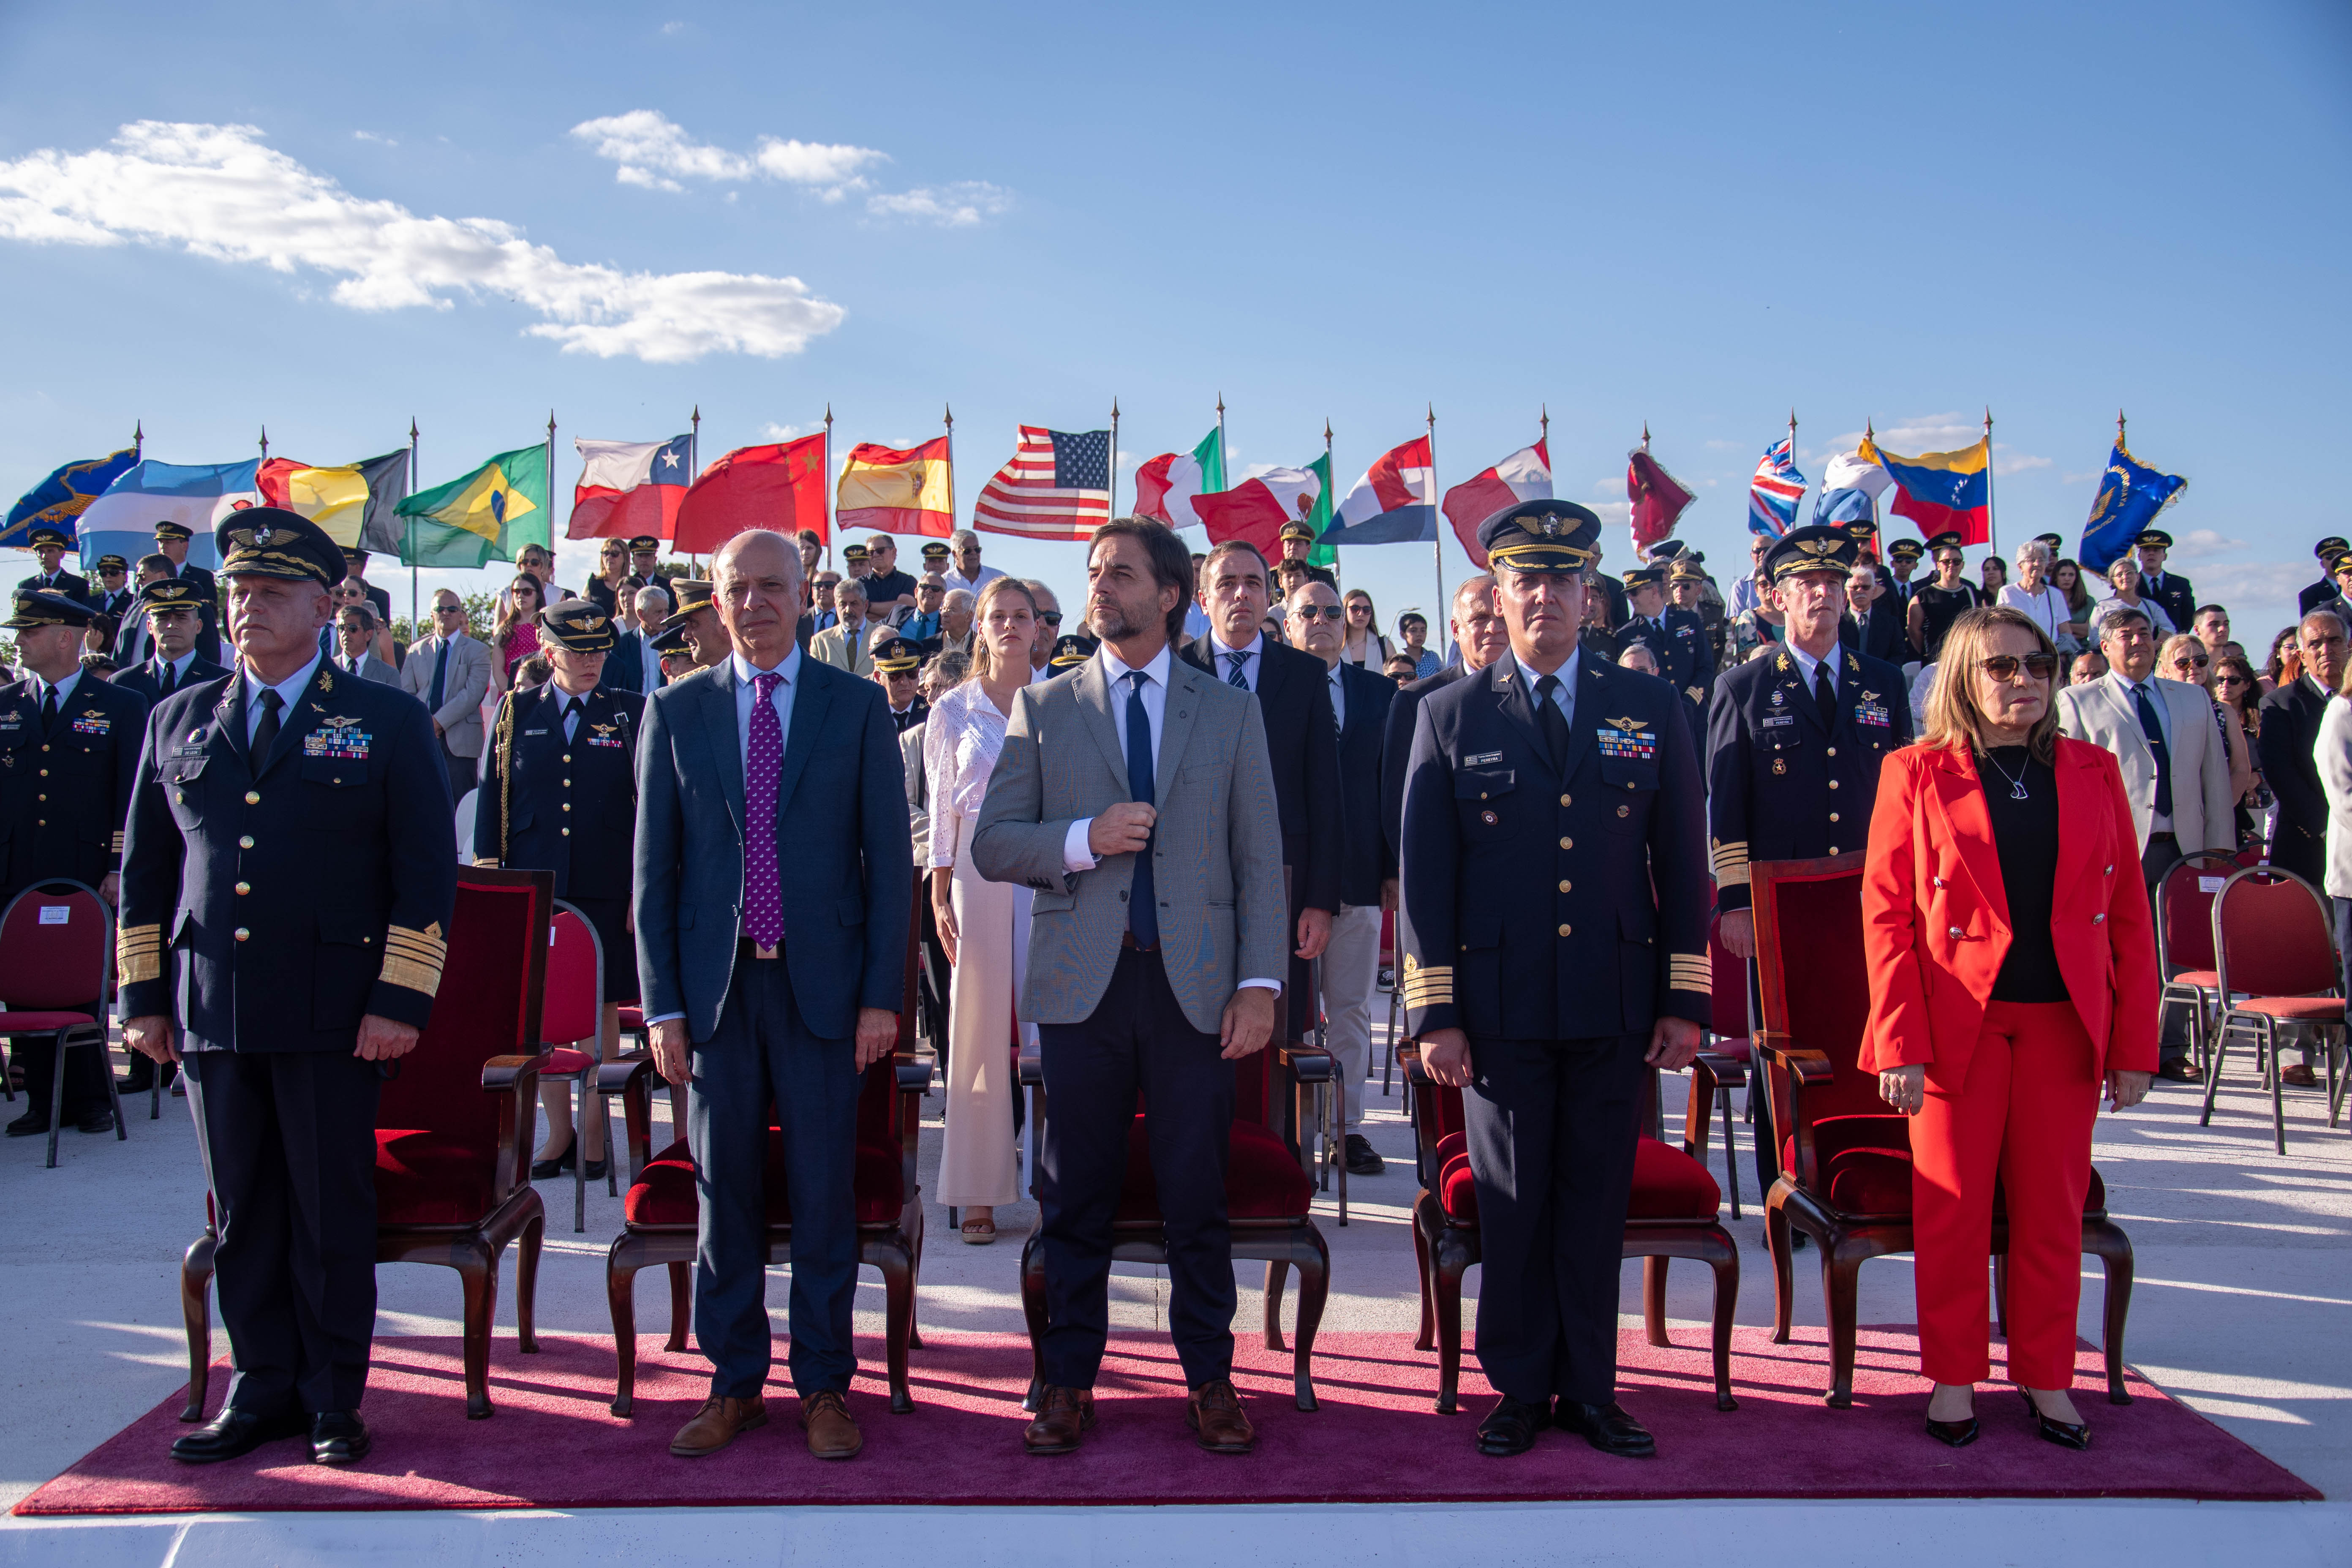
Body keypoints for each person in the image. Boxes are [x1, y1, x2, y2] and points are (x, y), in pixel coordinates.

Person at [120, 507, 455, 1467]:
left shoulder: (383, 719)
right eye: (238, 590)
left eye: (271, 592)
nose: (247, 606)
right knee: (244, 1214)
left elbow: (424, 874)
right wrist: (143, 998)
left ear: (325, 603)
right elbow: (146, 876)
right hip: (214, 1009)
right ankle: (259, 1385)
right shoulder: (176, 720)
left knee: (327, 1210)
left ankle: (331, 1397)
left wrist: (399, 1002)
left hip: (334, 1011)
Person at [1399, 499, 1709, 1460]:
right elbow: (1425, 876)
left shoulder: (1649, 706)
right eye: (1524, 580)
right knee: (1513, 1196)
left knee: (1591, 1197)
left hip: (1613, 999)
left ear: (1590, 595)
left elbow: (1682, 861)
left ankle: (1592, 1388)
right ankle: (1519, 1387)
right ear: (1498, 593)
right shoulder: (1447, 712)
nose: (1544, 597)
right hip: (1497, 1008)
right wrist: (1435, 1012)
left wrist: (1682, 999)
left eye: (1562, 579)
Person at [971, 516, 1285, 1458]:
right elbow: (993, 842)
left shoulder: (1227, 709)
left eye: (1121, 574)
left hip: (1197, 993)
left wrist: (1260, 983)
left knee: (1198, 1193)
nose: (1101, 587)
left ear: (1170, 593)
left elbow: (1261, 859)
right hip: (1082, 991)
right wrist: (1082, 838)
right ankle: (1066, 1378)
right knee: (1073, 1195)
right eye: (1095, 572)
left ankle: (1211, 1378)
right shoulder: (1047, 704)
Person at [634, 528, 911, 1462]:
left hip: (825, 993)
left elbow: (887, 866)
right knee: (727, 1198)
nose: (755, 603)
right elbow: (653, 879)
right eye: (737, 587)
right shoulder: (675, 711)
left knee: (826, 1190)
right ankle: (734, 1382)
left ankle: (826, 1381)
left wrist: (885, 996)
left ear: (805, 594)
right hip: (716, 1001)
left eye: (772, 587)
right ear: (715, 601)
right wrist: (663, 1005)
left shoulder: (857, 704)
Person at [1861, 605, 2155, 1451]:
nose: (2023, 680)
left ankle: (2047, 1374)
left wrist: (2134, 1044)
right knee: (1950, 1208)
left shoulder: (2095, 769)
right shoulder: (1914, 771)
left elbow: (2131, 918)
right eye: (2001, 666)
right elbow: (1886, 919)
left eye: (2040, 664)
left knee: (2052, 1211)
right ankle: (1954, 1377)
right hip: (1959, 1026)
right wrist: (1900, 1042)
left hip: (2065, 1021)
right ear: (1963, 675)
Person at [1709, 525, 1913, 1191]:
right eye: (1806, 585)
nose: (1822, 595)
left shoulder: (1882, 682)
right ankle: (1789, 1184)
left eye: (1831, 583)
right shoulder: (1744, 687)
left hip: (1871, 897)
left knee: (1871, 1029)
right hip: (1779, 902)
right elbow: (1727, 804)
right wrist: (1736, 902)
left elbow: (1905, 795)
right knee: (1787, 1043)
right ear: (1778, 598)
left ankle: (1874, 1172)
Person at [474, 598, 641, 1179]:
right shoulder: (517, 711)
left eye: (598, 649)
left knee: (600, 1011)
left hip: (605, 883)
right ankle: (559, 1134)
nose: (591, 660)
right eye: (577, 650)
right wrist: (496, 884)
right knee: (542, 1013)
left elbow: (649, 810)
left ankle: (596, 1136)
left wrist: (639, 890)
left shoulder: (628, 712)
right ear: (548, 652)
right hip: (538, 880)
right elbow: (496, 799)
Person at [0, 588, 148, 1136]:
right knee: (25, 979)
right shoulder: (8, 705)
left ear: (66, 637)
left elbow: (131, 794)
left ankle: (88, 1097)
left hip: (85, 870)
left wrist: (117, 865)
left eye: (29, 631)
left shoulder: (118, 705)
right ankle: (41, 1099)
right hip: (17, 869)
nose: (18, 642)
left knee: (82, 982)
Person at [1184, 540, 1339, 1040]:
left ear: (1269, 594)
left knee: (1280, 1030)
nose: (1241, 595)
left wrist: (1320, 900)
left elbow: (1325, 794)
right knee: (1195, 1031)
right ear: (1203, 599)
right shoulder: (1175, 673)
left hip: (1285, 885)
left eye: (1253, 583)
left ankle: (1279, 1124)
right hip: (1192, 882)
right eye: (1227, 584)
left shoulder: (1306, 676)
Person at [925, 578, 1041, 1245]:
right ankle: (978, 1191)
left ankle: (1059, 1182)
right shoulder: (953, 709)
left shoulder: (1065, 699)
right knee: (976, 1029)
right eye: (997, 615)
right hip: (975, 866)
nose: (1008, 625)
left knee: (1055, 1022)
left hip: (1053, 862)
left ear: (1037, 626)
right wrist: (940, 890)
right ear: (981, 627)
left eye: (1020, 615)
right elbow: (943, 806)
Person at [1286, 577, 1395, 1175]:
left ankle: (1345, 1129)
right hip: (1284, 884)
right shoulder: (1264, 690)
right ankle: (1287, 1123)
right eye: (1310, 611)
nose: (1324, 620)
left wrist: (1393, 869)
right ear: (1291, 619)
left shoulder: (1380, 694)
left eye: (1334, 611)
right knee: (1285, 1011)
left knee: (1349, 1008)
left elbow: (1394, 787)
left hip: (1356, 879)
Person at [2056, 607, 2235, 899]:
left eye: (2144, 634)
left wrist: (2219, 840)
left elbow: (2214, 772)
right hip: (2117, 850)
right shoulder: (2078, 701)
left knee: (2185, 937)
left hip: (2186, 848)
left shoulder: (2193, 697)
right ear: (2105, 647)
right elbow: (2071, 785)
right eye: (2126, 636)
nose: (2138, 641)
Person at [2256, 612, 2347, 1086]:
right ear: (2302, 652)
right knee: (2306, 951)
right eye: (2317, 643)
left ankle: (2343, 1051)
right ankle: (2297, 1052)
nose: (2327, 649)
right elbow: (2283, 777)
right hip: (2309, 845)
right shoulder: (2282, 705)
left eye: (2335, 640)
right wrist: (2334, 828)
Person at [1382, 575, 1506, 883]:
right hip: (1451, 883)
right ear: (1456, 630)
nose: (1494, 628)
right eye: (1479, 619)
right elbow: (1400, 807)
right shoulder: (1416, 701)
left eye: (1502, 617)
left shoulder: (1540, 694)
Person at [399, 589, 493, 803]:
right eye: (440, 609)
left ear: (461, 615)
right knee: (421, 803)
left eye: (452, 609)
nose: (446, 613)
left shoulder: (478, 650)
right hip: (422, 737)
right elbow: (407, 694)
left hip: (460, 741)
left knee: (460, 807)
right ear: (432, 614)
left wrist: (437, 722)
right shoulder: (416, 651)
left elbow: (473, 694)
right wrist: (425, 723)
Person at [2160, 633, 2256, 818]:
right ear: (2165, 670)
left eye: (2200, 660)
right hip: (2170, 817)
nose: (2193, 666)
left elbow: (2241, 768)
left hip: (2220, 814)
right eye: (2183, 663)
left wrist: (2220, 810)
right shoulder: (2157, 711)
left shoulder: (2223, 712)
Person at [109, 579, 227, 706]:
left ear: (198, 626)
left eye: (182, 617)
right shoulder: (123, 682)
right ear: (149, 627)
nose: (171, 625)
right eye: (163, 618)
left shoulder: (222, 682)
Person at [150, 521, 224, 663]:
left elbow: (210, 618)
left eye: (169, 542)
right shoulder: (152, 579)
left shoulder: (202, 577)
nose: (163, 546)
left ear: (184, 545)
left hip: (193, 653)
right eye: (161, 542)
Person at [1906, 534, 1978, 664]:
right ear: (1938, 565)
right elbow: (1913, 631)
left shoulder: (1974, 594)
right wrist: (1930, 652)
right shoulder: (1922, 597)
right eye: (1946, 562)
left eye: (1956, 562)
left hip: (1967, 659)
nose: (1952, 565)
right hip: (1935, 661)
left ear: (1962, 565)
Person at [604, 584, 672, 695]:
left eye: (666, 611)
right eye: (658, 612)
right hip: (634, 709)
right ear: (641, 614)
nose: (664, 617)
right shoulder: (622, 644)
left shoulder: (674, 641)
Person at [2088, 556, 2175, 640]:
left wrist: (2155, 644)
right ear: (2113, 580)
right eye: (2119, 575)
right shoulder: (2102, 607)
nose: (2125, 577)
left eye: (2129, 573)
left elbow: (2170, 629)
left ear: (2138, 577)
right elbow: (2094, 637)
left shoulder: (2150, 606)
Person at [1999, 540, 2068, 644]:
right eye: (2032, 560)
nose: (2037, 564)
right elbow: (2002, 630)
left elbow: (2066, 632)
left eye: (2041, 560)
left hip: (2049, 656)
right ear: (2020, 566)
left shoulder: (2055, 595)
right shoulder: (2008, 593)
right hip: (2020, 655)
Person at [490, 572, 547, 690]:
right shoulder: (504, 629)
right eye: (516, 592)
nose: (521, 596)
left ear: (538, 595)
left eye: (527, 591)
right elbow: (497, 669)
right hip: (510, 692)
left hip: (542, 690)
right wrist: (510, 693)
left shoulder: (546, 625)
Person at [809, 579, 875, 677]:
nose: (848, 610)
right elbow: (815, 679)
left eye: (854, 604)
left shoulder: (883, 637)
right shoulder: (821, 642)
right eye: (843, 604)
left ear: (865, 606)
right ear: (836, 607)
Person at [2133, 530, 2195, 632]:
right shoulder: (2130, 584)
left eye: (2156, 550)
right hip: (2141, 642)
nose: (2151, 554)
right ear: (2139, 556)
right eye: (2147, 550)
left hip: (2173, 643)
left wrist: (2180, 636)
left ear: (2165, 556)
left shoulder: (2181, 584)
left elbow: (2189, 616)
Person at [1848, 562, 1906, 664]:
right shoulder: (1836, 625)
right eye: (1855, 588)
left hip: (1881, 677)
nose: (1860, 591)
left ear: (1874, 591)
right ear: (1846, 592)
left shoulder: (1891, 624)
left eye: (1866, 587)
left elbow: (1898, 655)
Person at [16, 527, 90, 605]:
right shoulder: (26, 586)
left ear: (62, 554)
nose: (45, 556)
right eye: (41, 552)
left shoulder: (78, 584)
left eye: (50, 551)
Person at [871, 636, 928, 733]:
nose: (905, 682)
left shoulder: (932, 712)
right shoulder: (869, 715)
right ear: (878, 677)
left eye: (911, 674)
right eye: (895, 675)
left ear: (918, 672)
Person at [331, 604, 398, 684]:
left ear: (368, 635)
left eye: (353, 628)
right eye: (341, 628)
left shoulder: (388, 674)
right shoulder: (327, 668)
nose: (345, 633)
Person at [859, 535, 918, 615]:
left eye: (880, 551)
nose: (875, 555)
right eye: (871, 553)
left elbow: (905, 608)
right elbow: (857, 613)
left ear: (893, 552)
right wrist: (893, 617)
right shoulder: (859, 584)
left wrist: (868, 606)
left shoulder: (907, 581)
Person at [2296, 536, 2351, 617]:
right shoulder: (2310, 594)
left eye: (2340, 555)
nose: (2335, 559)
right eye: (2330, 557)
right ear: (2322, 564)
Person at [2050, 559, 2095, 657]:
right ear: (2055, 577)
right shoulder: (2048, 599)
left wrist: (2062, 626)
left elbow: (2089, 630)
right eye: (2063, 575)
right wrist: (2076, 631)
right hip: (2055, 651)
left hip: (2083, 652)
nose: (2067, 578)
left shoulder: (2088, 601)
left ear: (2076, 577)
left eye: (2071, 575)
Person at [1338, 589, 1391, 670]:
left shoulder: (1385, 645)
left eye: (1366, 610)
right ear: (1344, 610)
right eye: (1355, 609)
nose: (1361, 614)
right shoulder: (1334, 645)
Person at [943, 528, 1004, 597]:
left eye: (977, 549)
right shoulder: (944, 583)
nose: (973, 553)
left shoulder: (998, 579)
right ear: (955, 555)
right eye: (967, 551)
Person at [1024, 581, 1066, 681]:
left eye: (1051, 618)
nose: (1042, 625)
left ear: (1056, 635)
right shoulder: (984, 686)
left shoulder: (1075, 686)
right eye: (1035, 615)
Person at [585, 539, 634, 616]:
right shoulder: (593, 583)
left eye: (615, 554)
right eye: (606, 553)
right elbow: (582, 609)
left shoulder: (633, 584)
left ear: (625, 558)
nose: (609, 557)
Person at [1729, 535, 1771, 618]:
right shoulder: (1739, 588)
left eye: (1767, 550)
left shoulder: (1784, 581)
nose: (1762, 554)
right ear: (1752, 555)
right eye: (1758, 551)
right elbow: (1736, 623)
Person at [895, 575, 946, 642]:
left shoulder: (947, 624)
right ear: (916, 592)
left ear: (944, 596)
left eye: (935, 589)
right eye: (924, 587)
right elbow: (878, 629)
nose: (929, 590)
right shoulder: (898, 613)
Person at [629, 537, 674, 607]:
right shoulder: (628, 586)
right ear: (633, 560)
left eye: (648, 556)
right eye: (640, 556)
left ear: (655, 559)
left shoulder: (668, 586)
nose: (644, 560)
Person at [1883, 538, 1924, 612]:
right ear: (1892, 564)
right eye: (1899, 560)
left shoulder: (1920, 592)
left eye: (1909, 561)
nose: (1903, 564)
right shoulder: (1883, 588)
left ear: (1916, 565)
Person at [938, 588, 978, 661]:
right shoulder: (928, 645)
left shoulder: (983, 646)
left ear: (969, 616)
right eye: (944, 609)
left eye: (951, 610)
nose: (945, 614)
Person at [1396, 610, 1440, 678]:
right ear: (1403, 634)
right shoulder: (1398, 661)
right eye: (1413, 631)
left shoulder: (1434, 657)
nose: (1419, 634)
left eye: (1423, 631)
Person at [90, 555, 134, 620]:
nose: (108, 576)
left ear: (125, 576)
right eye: (104, 573)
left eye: (114, 572)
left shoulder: (134, 602)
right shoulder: (91, 602)